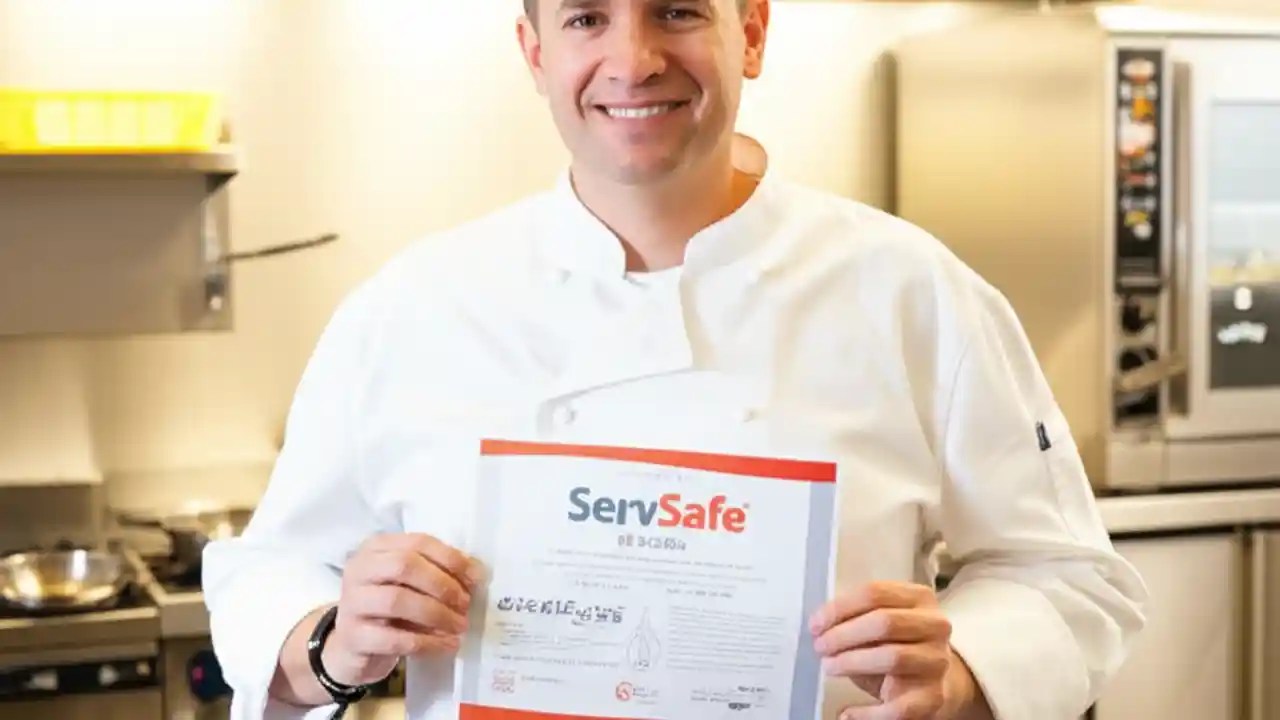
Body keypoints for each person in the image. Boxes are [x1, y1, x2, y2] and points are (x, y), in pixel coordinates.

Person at [202, 0, 1148, 718]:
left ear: (753, 31)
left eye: (678, 10)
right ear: (535, 51)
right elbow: (272, 567)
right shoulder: (411, 308)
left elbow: (1065, 574)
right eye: (586, 17)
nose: (634, 58)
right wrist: (327, 642)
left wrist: (963, 670)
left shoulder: (911, 290)